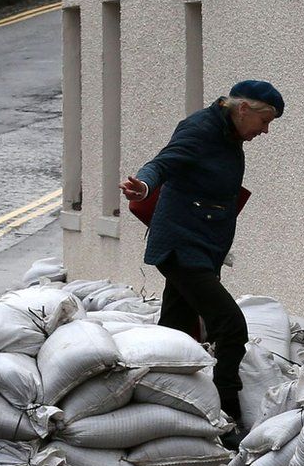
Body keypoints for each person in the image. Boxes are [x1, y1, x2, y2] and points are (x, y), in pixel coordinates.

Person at [120, 79, 283, 432]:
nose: (266, 131)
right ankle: (226, 412)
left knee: (176, 329)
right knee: (230, 325)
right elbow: (162, 164)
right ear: (243, 109)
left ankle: (161, 400)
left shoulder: (229, 133)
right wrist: (143, 186)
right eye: (265, 120)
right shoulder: (201, 128)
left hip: (202, 248)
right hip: (181, 247)